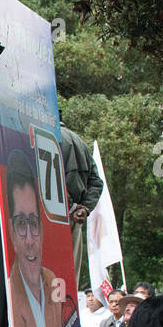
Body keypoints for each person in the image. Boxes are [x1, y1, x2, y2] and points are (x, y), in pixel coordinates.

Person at [5, 152, 72, 327]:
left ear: (42, 230)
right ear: (11, 232)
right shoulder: (9, 295)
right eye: (21, 224)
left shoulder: (52, 281)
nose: (30, 239)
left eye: (33, 223)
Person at [59, 121, 103, 291]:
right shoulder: (81, 143)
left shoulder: (46, 135)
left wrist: (72, 206)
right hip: (75, 219)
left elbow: (50, 177)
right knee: (70, 279)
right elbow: (96, 182)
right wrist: (83, 207)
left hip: (51, 215)